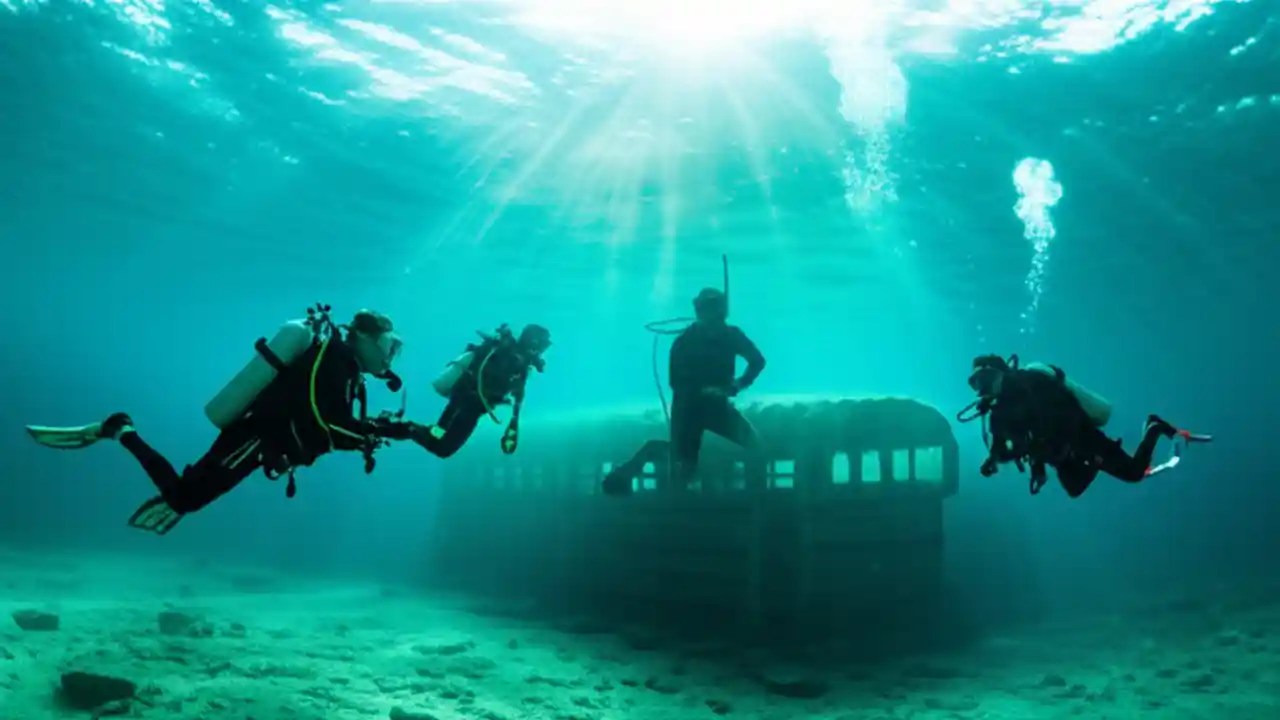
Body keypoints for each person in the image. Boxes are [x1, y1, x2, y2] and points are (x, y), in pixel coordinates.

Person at [26, 305, 413, 535]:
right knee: (184, 498)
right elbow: (326, 422)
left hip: (261, 442)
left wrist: (372, 431)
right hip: (256, 438)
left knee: (188, 495)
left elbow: (329, 421)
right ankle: (119, 428)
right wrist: (374, 432)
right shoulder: (336, 361)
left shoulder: (344, 367)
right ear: (361, 336)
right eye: (386, 344)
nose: (388, 354)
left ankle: (131, 440)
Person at [963, 354, 1211, 497]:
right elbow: (1002, 443)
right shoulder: (998, 411)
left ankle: (1155, 427)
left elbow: (1066, 414)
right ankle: (1104, 458)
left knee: (1134, 474)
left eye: (985, 379)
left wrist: (1060, 449)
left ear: (1002, 373)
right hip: (1062, 455)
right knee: (1075, 489)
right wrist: (993, 460)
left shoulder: (1034, 384)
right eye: (976, 383)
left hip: (1083, 441)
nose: (982, 388)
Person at [603, 288, 766, 496]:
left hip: (717, 406)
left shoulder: (731, 335)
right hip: (689, 410)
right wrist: (708, 391)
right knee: (686, 465)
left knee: (756, 445)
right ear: (699, 312)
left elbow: (757, 361)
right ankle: (635, 467)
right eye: (707, 310)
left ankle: (648, 463)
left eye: (716, 310)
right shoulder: (685, 341)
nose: (712, 316)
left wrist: (737, 385)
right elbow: (676, 383)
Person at [412, 323, 551, 458]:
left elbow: (515, 394)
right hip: (465, 403)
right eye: (542, 346)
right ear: (532, 342)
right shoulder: (505, 355)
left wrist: (513, 421)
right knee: (441, 445)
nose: (541, 352)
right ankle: (403, 427)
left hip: (471, 407)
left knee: (440, 444)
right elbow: (488, 380)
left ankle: (403, 427)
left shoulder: (520, 364)